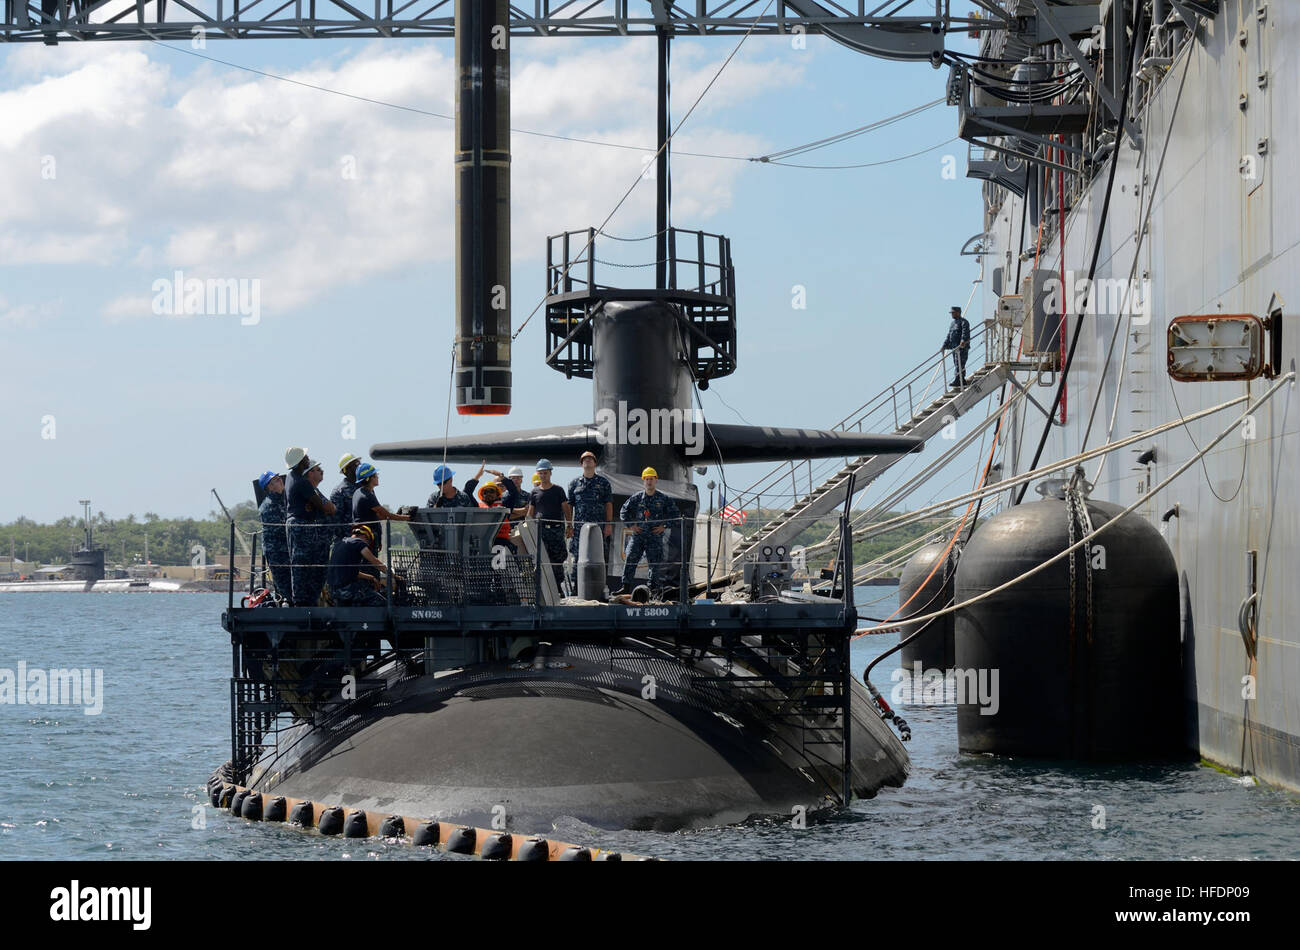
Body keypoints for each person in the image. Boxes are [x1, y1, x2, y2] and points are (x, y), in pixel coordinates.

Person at [284, 447, 336, 606]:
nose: (308, 459)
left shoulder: (291, 477)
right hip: (301, 526)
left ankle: (302, 601)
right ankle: (303, 603)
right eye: (305, 457)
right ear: (301, 462)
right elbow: (325, 507)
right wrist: (327, 506)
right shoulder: (301, 482)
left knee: (302, 565)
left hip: (297, 524)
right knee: (304, 565)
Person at [619, 467, 680, 595]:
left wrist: (664, 526)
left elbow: (676, 515)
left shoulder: (663, 498)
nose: (649, 482)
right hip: (638, 536)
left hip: (654, 537)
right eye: (646, 479)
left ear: (656, 480)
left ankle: (652, 591)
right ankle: (625, 588)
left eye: (651, 479)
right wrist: (631, 525)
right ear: (643, 481)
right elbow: (623, 511)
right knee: (630, 559)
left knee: (655, 565)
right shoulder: (637, 497)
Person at [567, 450, 612, 587]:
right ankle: (576, 587)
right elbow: (570, 505)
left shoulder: (603, 483)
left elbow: (608, 504)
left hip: (598, 526)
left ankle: (601, 585)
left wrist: (608, 524)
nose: (587, 461)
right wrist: (569, 525)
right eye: (584, 459)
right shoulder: (574, 483)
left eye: (590, 459)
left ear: (595, 463)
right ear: (581, 464)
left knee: (600, 556)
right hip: (580, 527)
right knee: (577, 556)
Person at [526, 458, 572, 591]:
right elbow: (530, 512)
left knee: (558, 559)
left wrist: (570, 525)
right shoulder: (534, 492)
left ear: (550, 473)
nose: (543, 475)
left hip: (556, 530)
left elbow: (566, 508)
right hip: (541, 530)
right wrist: (528, 527)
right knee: (542, 559)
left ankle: (558, 588)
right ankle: (543, 589)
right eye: (540, 473)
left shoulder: (558, 490)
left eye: (545, 473)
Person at [351, 462, 410, 554]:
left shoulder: (359, 492)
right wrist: (407, 518)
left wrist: (378, 539)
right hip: (367, 538)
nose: (378, 477)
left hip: (363, 537)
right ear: (369, 478)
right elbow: (387, 515)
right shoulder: (367, 496)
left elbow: (377, 516)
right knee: (369, 568)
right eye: (375, 475)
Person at [327, 525, 388, 607]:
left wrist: (371, 577)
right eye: (368, 543)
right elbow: (375, 562)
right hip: (347, 590)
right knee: (382, 602)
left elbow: (350, 572)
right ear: (365, 536)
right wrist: (393, 575)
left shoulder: (340, 543)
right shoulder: (358, 542)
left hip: (333, 591)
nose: (367, 545)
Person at [256, 470, 291, 599]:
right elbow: (280, 529)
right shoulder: (268, 506)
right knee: (284, 587)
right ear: (269, 487)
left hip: (287, 550)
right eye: (276, 480)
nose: (280, 480)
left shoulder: (285, 500)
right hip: (278, 552)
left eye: (279, 478)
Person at [477, 480, 525, 554]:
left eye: (491, 491)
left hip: (500, 541)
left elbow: (513, 492)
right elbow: (468, 492)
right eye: (485, 492)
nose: (488, 494)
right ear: (482, 495)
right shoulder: (477, 507)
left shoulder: (504, 506)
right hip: (481, 543)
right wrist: (476, 479)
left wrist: (502, 478)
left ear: (497, 494)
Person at [330, 453, 362, 544]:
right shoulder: (339, 492)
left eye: (359, 463)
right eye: (356, 465)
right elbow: (336, 522)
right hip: (349, 542)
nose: (359, 466)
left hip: (367, 539)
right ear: (346, 470)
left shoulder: (365, 487)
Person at [942, 305, 971, 388]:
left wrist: (963, 341)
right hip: (954, 347)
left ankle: (958, 379)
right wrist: (944, 345)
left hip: (962, 348)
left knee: (960, 364)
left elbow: (965, 333)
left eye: (953, 313)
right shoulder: (952, 324)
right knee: (956, 363)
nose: (952, 314)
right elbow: (949, 335)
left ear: (958, 313)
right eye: (952, 313)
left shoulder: (964, 322)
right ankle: (960, 379)